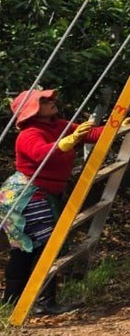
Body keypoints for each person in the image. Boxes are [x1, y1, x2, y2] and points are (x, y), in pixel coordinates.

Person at [1, 88, 104, 315]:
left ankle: (13, 302)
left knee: (27, 248)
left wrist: (118, 127)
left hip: (40, 194)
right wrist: (68, 142)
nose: (51, 102)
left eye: (49, 99)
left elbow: (91, 134)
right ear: (33, 110)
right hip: (25, 196)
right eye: (44, 101)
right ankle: (42, 302)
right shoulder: (29, 134)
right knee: (41, 246)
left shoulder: (58, 126)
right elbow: (42, 153)